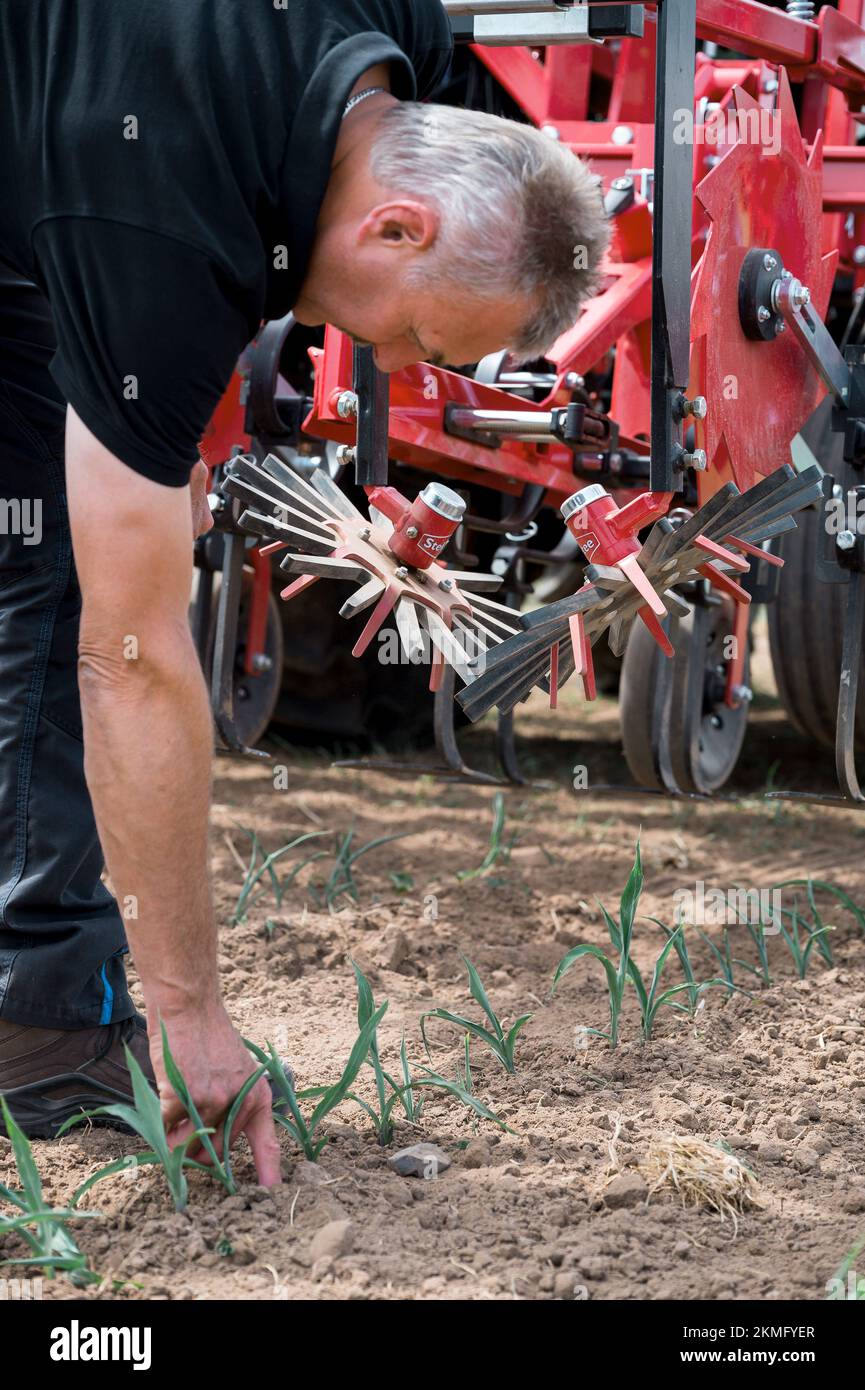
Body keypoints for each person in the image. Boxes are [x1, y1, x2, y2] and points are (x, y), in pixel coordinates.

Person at [0, 0, 607, 1179]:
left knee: (62, 557)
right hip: (68, 175)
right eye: (419, 332)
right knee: (97, 601)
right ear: (392, 222)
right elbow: (132, 662)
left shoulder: (401, 43)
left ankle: (38, 1017)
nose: (389, 364)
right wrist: (187, 1015)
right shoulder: (161, 224)